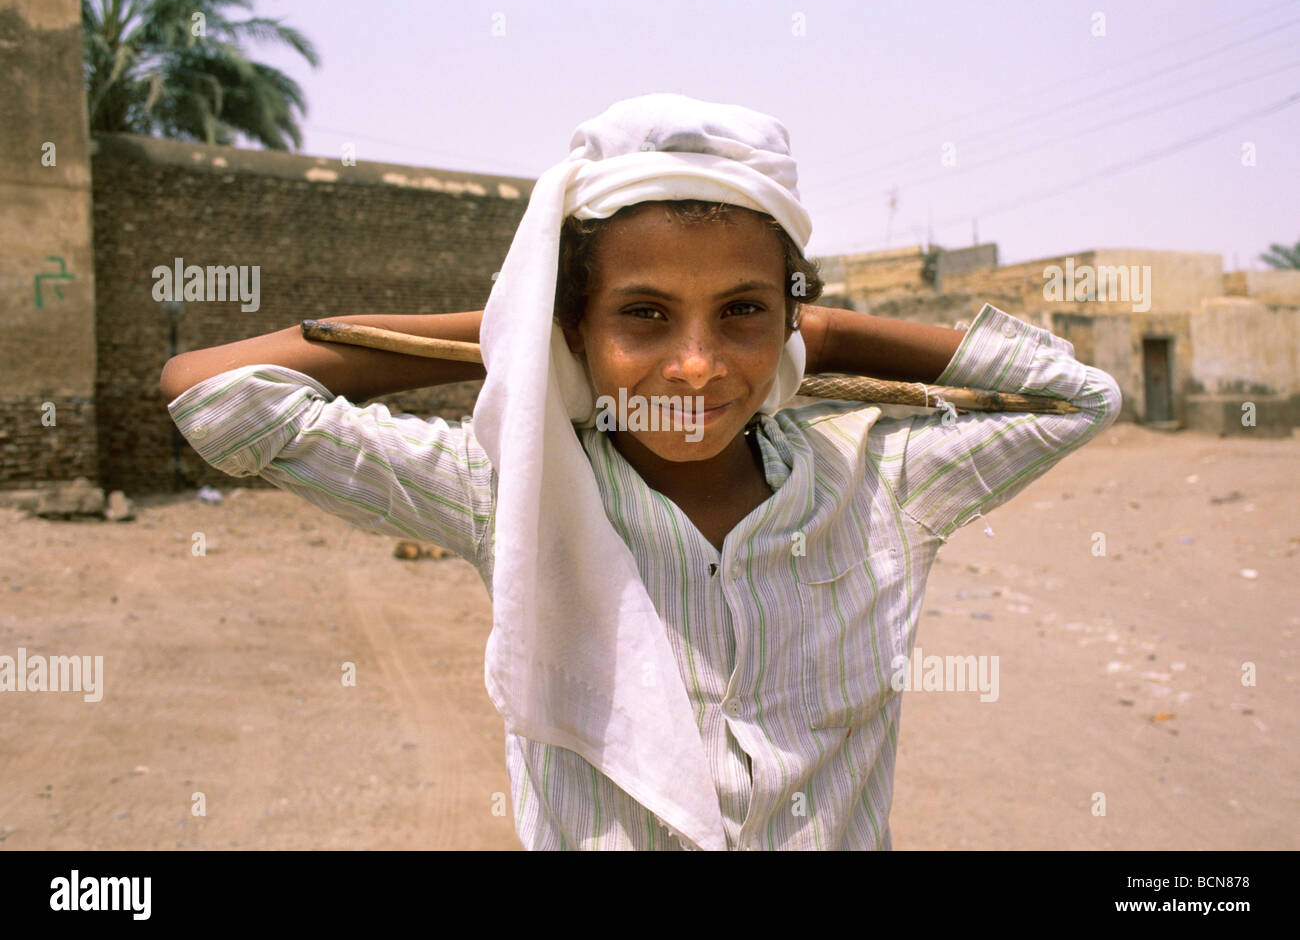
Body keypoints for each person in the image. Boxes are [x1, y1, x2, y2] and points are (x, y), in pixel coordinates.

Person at [160, 93, 1122, 850]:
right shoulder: (515, 491)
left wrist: (819, 332)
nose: (696, 364)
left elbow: (1081, 397)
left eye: (741, 311)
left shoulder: (878, 485)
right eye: (645, 314)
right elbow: (214, 394)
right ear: (575, 327)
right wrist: (519, 330)